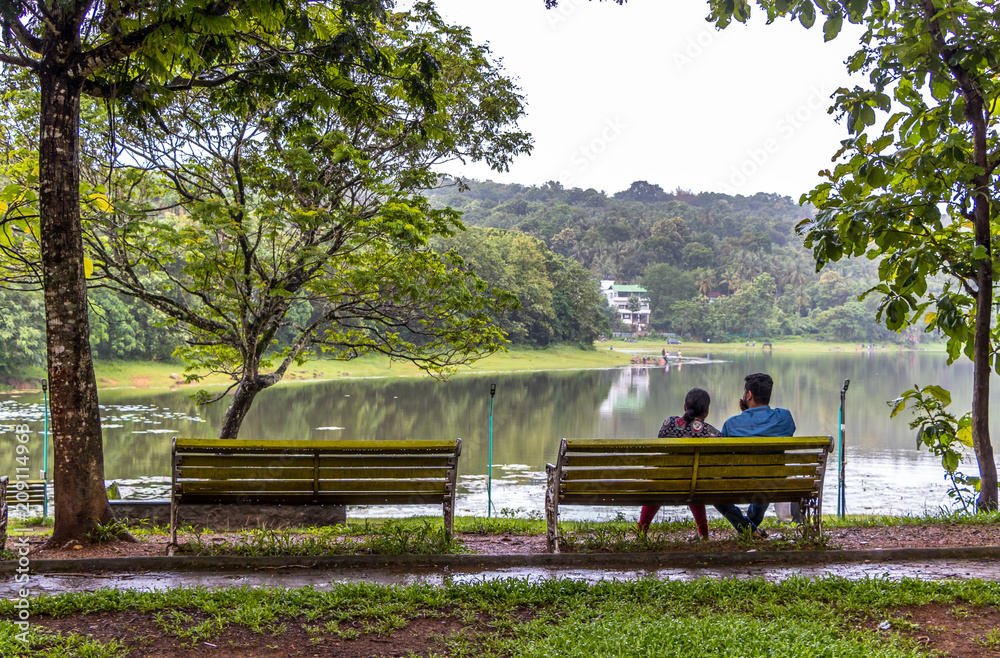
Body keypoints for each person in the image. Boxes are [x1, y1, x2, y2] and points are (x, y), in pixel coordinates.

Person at [713, 372, 795, 536]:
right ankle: (751, 527)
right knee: (765, 480)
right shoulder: (784, 417)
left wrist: (746, 415)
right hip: (773, 482)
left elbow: (723, 458)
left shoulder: (731, 424)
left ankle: (746, 527)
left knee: (713, 492)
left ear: (749, 395)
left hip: (742, 482)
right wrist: (750, 414)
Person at [638, 387, 719, 539]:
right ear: (707, 411)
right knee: (694, 484)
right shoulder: (712, 433)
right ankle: (703, 533)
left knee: (657, 485)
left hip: (665, 480)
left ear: (684, 407)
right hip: (693, 484)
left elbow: (661, 438)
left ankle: (641, 531)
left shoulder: (669, 423)